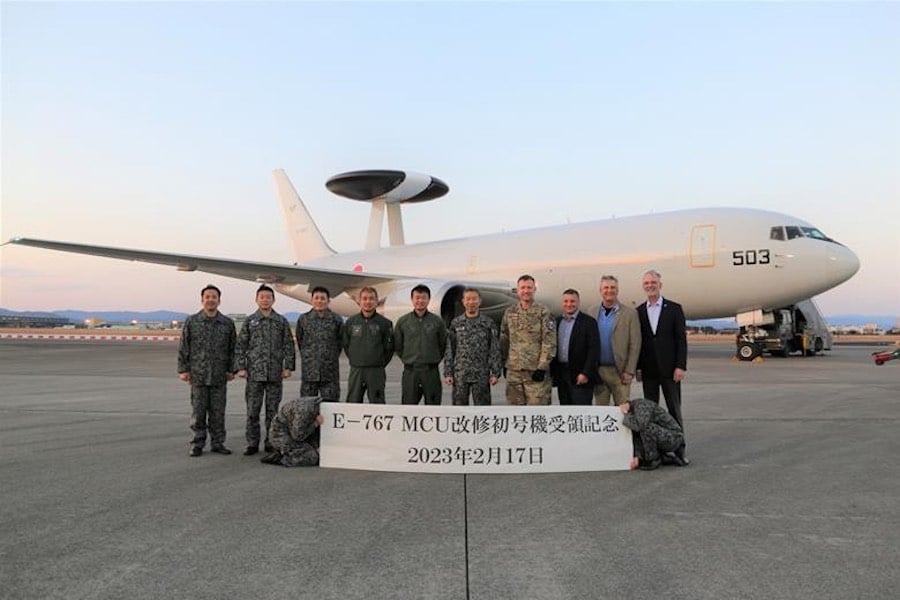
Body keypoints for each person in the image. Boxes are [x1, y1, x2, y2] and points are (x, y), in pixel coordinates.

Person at [177, 284, 237, 457]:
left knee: (218, 412)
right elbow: (184, 347)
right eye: (207, 297)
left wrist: (231, 369)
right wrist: (183, 369)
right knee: (199, 411)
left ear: (219, 300)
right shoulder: (192, 321)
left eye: (214, 297)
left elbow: (233, 348)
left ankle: (218, 443)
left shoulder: (227, 323)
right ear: (202, 300)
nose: (211, 299)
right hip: (198, 374)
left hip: (219, 375)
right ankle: (197, 443)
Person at [235, 284, 295, 456]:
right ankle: (252, 443)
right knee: (253, 411)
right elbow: (241, 346)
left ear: (273, 300)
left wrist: (288, 367)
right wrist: (241, 367)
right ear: (256, 299)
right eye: (262, 297)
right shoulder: (250, 321)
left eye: (268, 297)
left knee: (273, 412)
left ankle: (271, 442)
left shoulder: (280, 321)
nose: (265, 299)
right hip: (254, 374)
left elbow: (288, 345)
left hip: (275, 374)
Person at [636, 270, 688, 429]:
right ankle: (655, 450)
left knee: (674, 411)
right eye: (647, 283)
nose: (650, 286)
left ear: (660, 285)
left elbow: (681, 339)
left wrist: (680, 366)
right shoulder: (639, 312)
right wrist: (638, 367)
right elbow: (638, 342)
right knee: (651, 412)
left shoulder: (674, 308)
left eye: (653, 283)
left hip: (670, 370)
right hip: (648, 371)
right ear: (643, 286)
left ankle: (679, 451)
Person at [500, 274, 557, 405]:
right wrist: (505, 362)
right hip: (514, 372)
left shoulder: (543, 312)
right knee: (516, 413)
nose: (526, 291)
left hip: (535, 372)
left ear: (534, 289)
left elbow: (549, 342)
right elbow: (504, 339)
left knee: (537, 412)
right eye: (523, 288)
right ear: (518, 290)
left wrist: (542, 367)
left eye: (529, 288)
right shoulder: (510, 312)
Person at [443, 288, 502, 405]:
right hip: (460, 374)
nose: (471, 302)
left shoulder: (488, 323)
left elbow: (494, 348)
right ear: (463, 301)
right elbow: (450, 349)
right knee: (459, 409)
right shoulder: (456, 323)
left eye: (474, 299)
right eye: (468, 299)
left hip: (481, 374)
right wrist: (448, 372)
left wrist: (495, 373)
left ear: (479, 301)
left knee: (482, 409)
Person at [394, 284, 448, 405]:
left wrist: (433, 358)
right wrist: (408, 358)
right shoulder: (403, 321)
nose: (420, 301)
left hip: (431, 372)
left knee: (433, 407)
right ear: (412, 299)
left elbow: (443, 344)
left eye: (423, 297)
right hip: (410, 372)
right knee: (409, 407)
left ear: (429, 299)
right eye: (417, 297)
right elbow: (398, 345)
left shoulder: (437, 321)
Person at [593, 275, 641, 406]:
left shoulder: (630, 314)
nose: (609, 290)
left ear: (617, 290)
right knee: (601, 413)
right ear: (600, 290)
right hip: (599, 372)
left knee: (623, 411)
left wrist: (630, 371)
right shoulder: (592, 312)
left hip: (620, 372)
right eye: (606, 288)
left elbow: (635, 345)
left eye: (613, 287)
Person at [342, 287, 394, 403]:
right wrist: (356, 359)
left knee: (377, 403)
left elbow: (389, 349)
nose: (368, 302)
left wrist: (378, 362)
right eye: (364, 299)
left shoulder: (385, 323)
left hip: (376, 371)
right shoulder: (351, 322)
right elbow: (346, 345)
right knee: (353, 402)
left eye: (371, 299)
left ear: (376, 302)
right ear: (359, 301)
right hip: (357, 370)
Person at [550, 289, 598, 405]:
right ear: (562, 303)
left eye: (572, 301)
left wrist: (586, 373)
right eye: (566, 301)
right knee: (566, 410)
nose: (569, 304)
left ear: (578, 302)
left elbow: (594, 350)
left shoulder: (589, 322)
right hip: (562, 375)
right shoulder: (557, 322)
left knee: (581, 412)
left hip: (580, 376)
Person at [295, 286, 343, 402]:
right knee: (307, 408)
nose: (319, 301)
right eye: (316, 298)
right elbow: (300, 340)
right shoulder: (304, 319)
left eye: (323, 298)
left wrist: (330, 356)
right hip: (309, 372)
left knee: (331, 406)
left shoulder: (336, 319)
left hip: (330, 372)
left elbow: (340, 341)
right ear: (311, 300)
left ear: (328, 301)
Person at [619, 398, 689, 470]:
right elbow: (637, 436)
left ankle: (653, 459)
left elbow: (640, 426)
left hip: (674, 437)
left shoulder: (642, 405)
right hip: (666, 435)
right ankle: (662, 457)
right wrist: (637, 457)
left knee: (647, 428)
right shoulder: (635, 409)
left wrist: (625, 417)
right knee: (640, 431)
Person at [260, 396, 324, 467]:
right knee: (312, 457)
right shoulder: (304, 410)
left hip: (292, 432)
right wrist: (315, 424)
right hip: (279, 435)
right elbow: (297, 436)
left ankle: (285, 452)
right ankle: (282, 459)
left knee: (316, 451)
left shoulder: (315, 405)